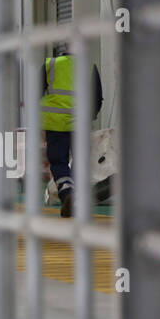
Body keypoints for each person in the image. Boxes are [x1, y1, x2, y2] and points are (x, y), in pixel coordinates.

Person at [41, 46, 103, 218]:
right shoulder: (88, 65)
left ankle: (67, 192)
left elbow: (36, 92)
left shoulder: (50, 64)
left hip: (55, 124)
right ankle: (76, 197)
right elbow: (97, 96)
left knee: (58, 161)